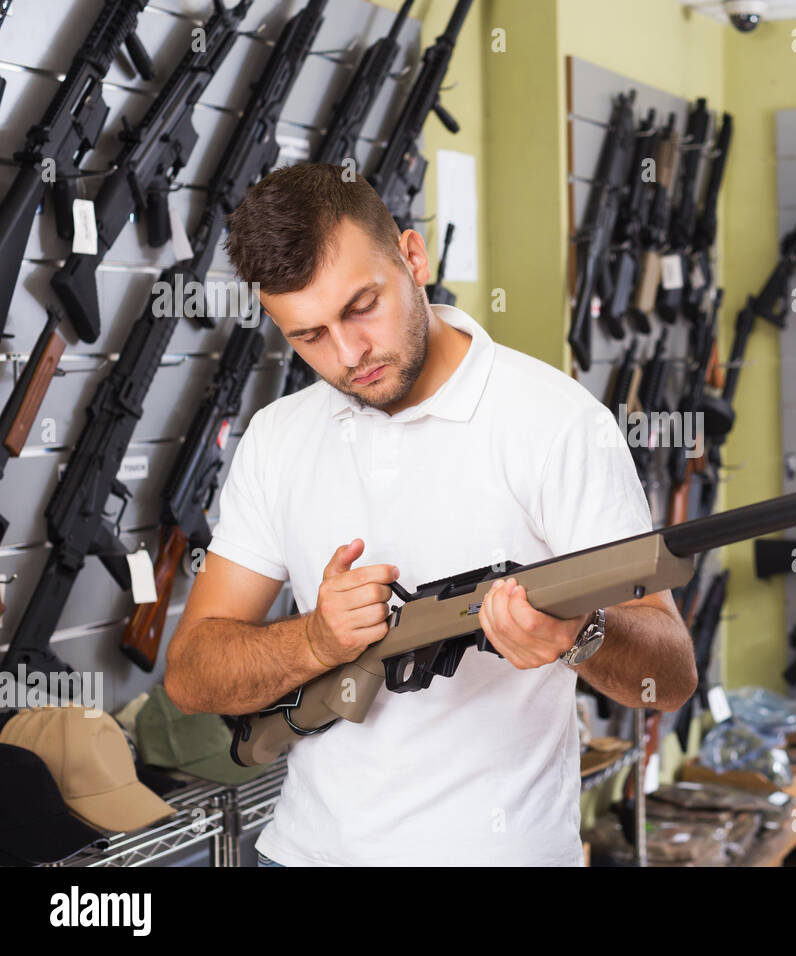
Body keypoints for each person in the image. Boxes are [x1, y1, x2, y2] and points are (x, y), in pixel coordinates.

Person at [164, 163, 696, 866]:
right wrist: (318, 642)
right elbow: (192, 674)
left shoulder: (558, 424)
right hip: (302, 854)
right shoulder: (278, 437)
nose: (350, 355)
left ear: (414, 258)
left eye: (361, 307)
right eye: (309, 337)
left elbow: (671, 675)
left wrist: (578, 633)